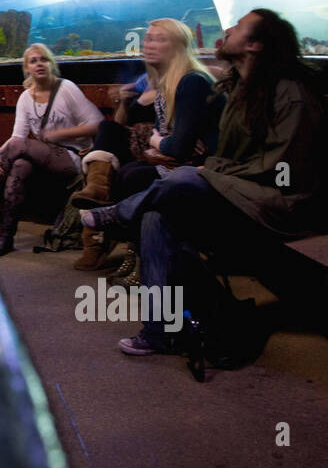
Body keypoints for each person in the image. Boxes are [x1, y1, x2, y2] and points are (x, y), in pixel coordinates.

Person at [80, 9, 326, 356]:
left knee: (182, 178)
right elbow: (200, 145)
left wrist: (210, 170)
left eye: (239, 27)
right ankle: (158, 330)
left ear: (254, 45)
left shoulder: (290, 96)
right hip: (237, 189)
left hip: (278, 201)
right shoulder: (238, 85)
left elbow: (280, 169)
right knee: (157, 216)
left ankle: (117, 214)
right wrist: (208, 166)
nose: (228, 28)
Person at [70, 18, 224, 277]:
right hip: (176, 161)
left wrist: (154, 142)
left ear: (177, 47)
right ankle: (135, 250)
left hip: (206, 171)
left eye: (159, 39)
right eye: (148, 39)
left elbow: (179, 147)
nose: (148, 45)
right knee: (127, 170)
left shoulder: (191, 81)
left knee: (133, 176)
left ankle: (132, 245)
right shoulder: (166, 82)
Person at [0, 44, 102, 259]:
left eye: (44, 59)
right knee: (19, 166)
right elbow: (18, 136)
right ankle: (6, 236)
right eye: (33, 61)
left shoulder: (66, 88)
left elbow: (97, 123)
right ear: (27, 68)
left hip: (72, 155)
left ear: (52, 63)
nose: (39, 64)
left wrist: (59, 135)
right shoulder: (25, 97)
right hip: (43, 155)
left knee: (15, 152)